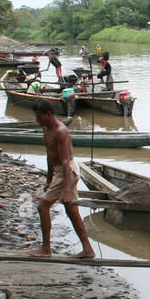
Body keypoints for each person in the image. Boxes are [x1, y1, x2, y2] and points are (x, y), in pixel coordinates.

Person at [28, 100, 95, 258]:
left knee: (42, 207)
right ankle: (88, 250)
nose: (37, 120)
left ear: (49, 115)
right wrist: (48, 179)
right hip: (59, 171)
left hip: (67, 171)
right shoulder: (46, 130)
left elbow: (65, 161)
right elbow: (50, 156)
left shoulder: (61, 132)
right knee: (71, 210)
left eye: (39, 117)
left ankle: (46, 249)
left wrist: (65, 189)